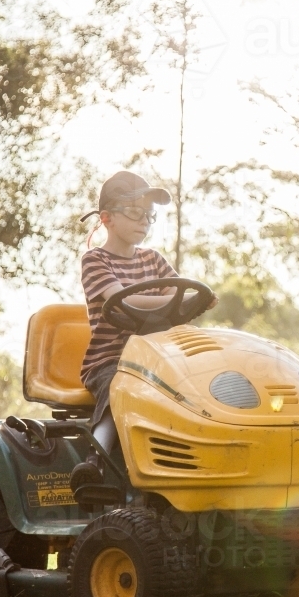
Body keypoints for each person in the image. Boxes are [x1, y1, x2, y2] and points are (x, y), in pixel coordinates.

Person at [70, 170, 216, 497]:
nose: (144, 221)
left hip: (157, 360)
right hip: (110, 359)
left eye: (150, 216)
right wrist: (182, 299)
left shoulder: (153, 260)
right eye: (135, 212)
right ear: (106, 218)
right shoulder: (95, 260)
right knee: (119, 385)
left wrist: (198, 301)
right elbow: (124, 299)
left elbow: (177, 292)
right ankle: (97, 460)